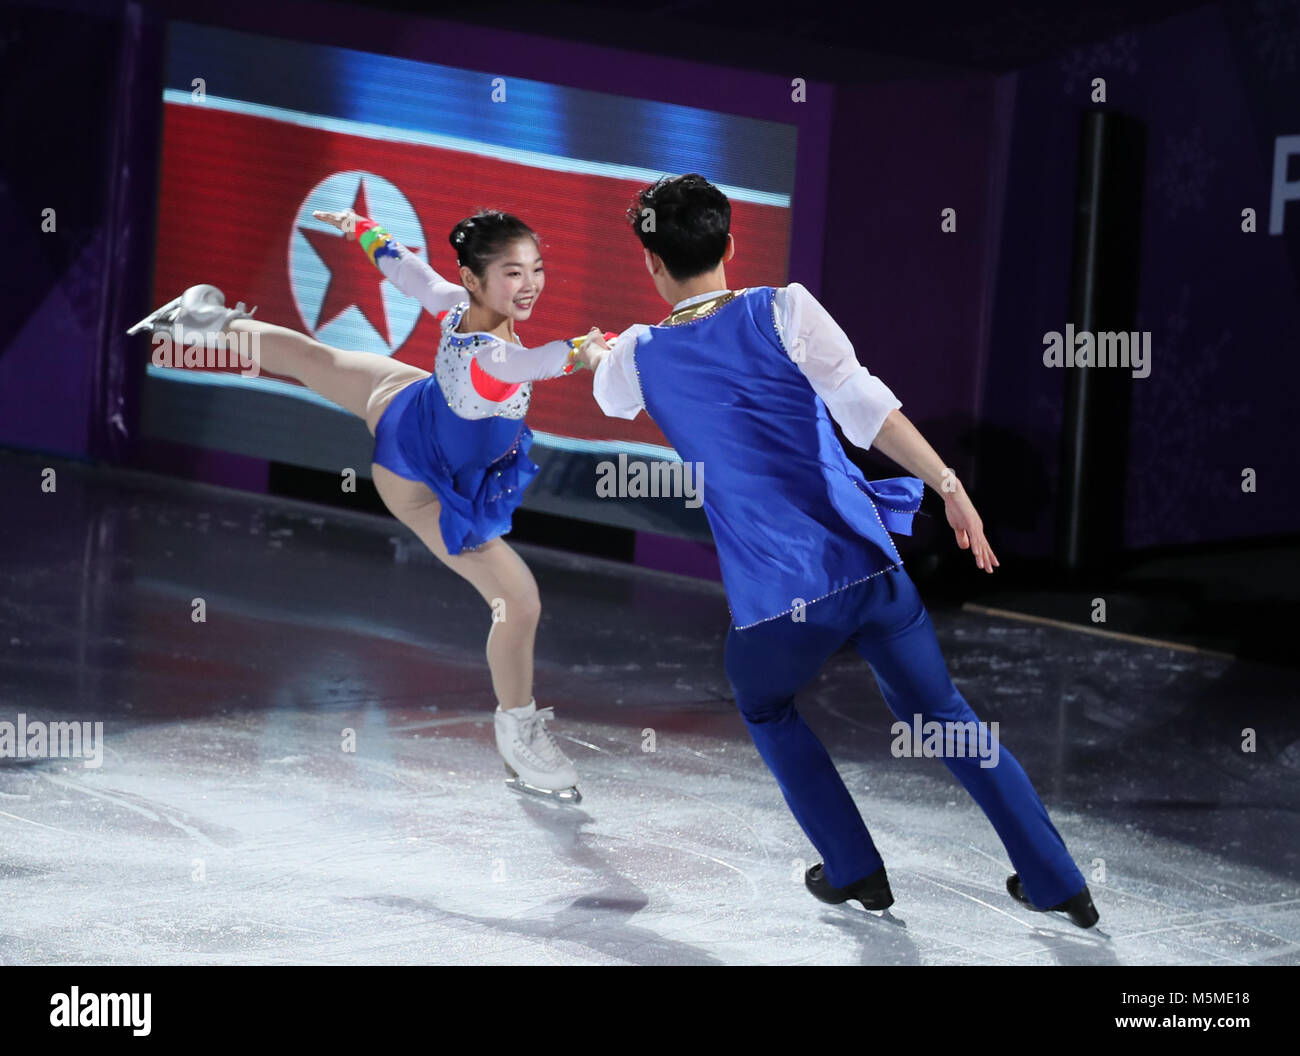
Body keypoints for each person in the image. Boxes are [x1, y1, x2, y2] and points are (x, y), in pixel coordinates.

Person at [579, 173, 1098, 927]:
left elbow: (609, 395)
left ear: (651, 265)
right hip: (871, 570)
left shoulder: (637, 357)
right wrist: (947, 483)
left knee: (763, 703)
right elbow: (868, 410)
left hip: (778, 602)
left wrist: (598, 351)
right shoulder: (785, 309)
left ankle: (854, 868)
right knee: (944, 716)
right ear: (730, 244)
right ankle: (1057, 882)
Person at [129, 206, 606, 802]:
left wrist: (363, 230)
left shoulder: (457, 308)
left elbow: (410, 275)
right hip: (420, 483)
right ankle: (518, 735)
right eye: (512, 272)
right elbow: (539, 361)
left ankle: (205, 321)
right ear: (475, 279)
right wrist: (590, 350)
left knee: (313, 359)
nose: (530, 283)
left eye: (536, 268)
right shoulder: (493, 355)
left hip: (411, 405)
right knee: (518, 600)